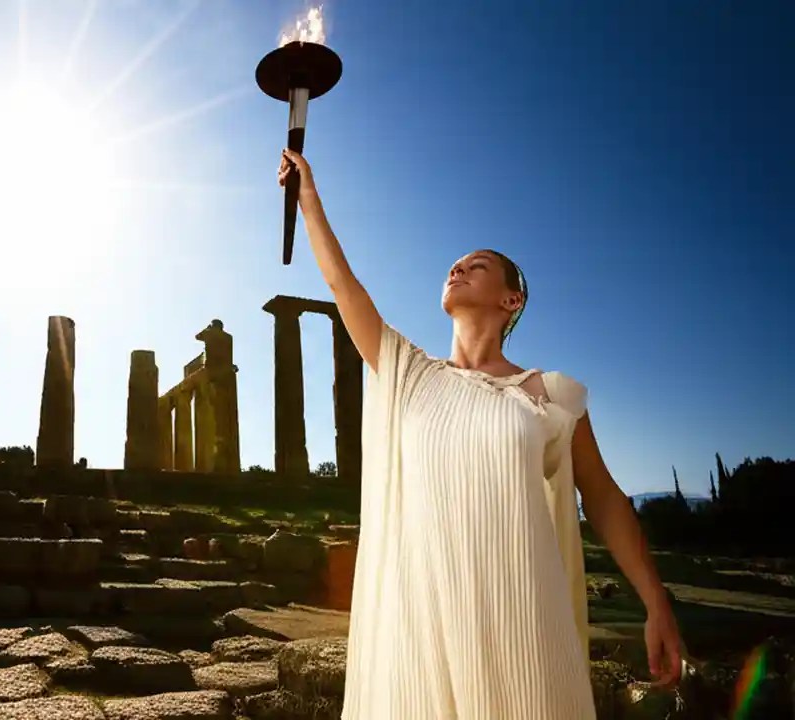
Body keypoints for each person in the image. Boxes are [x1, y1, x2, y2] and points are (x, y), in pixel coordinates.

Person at [278, 148, 684, 719]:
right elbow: (343, 286)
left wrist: (656, 602)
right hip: (424, 628)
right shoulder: (411, 372)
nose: (457, 268)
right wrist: (309, 200)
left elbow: (605, 498)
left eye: (477, 265)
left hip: (523, 619)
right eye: (454, 264)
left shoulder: (550, 392)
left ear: (509, 300)